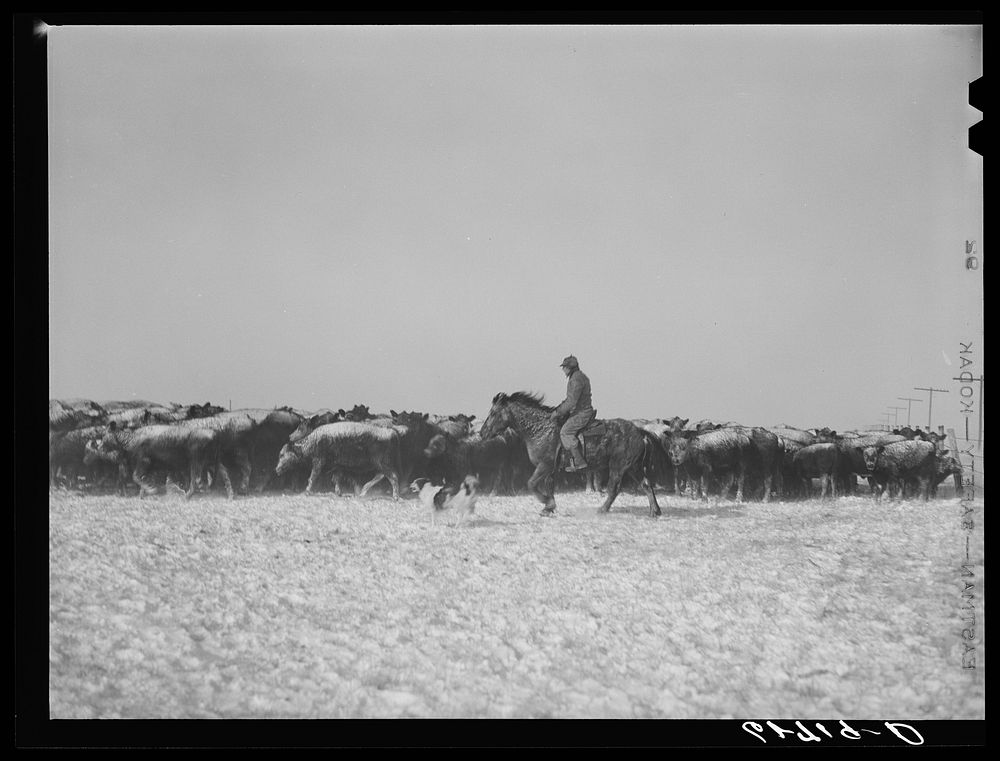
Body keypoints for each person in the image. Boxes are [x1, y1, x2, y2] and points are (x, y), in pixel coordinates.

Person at [550, 355, 595, 472]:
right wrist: (559, 408)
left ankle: (579, 462)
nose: (563, 369)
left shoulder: (576, 379)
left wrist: (557, 412)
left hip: (582, 413)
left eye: (565, 367)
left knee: (565, 432)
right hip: (580, 410)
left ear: (571, 368)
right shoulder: (579, 376)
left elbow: (571, 401)